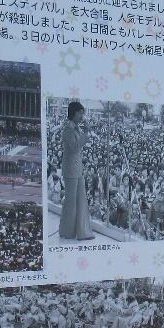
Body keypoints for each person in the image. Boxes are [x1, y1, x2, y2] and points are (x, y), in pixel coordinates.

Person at [57, 101, 94, 240]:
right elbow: (75, 147)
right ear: (73, 113)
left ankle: (83, 232)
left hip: (77, 169)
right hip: (71, 170)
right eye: (80, 113)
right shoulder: (68, 129)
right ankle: (67, 232)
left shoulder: (76, 128)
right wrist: (86, 132)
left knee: (81, 200)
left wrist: (84, 132)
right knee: (71, 203)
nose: (82, 116)